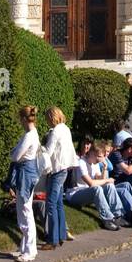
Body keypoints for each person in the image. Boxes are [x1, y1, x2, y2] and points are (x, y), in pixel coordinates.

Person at [65, 145, 127, 230]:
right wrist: (107, 180)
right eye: (99, 156)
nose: (100, 159)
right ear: (91, 154)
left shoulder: (95, 164)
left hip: (87, 192)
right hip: (75, 194)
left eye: (101, 157)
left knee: (109, 185)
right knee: (97, 188)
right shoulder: (81, 162)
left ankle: (117, 215)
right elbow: (91, 183)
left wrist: (105, 169)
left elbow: (101, 179)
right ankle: (107, 219)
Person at [41, 106, 76, 250]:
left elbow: (48, 151)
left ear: (51, 117)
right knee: (59, 203)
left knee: (51, 203)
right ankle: (61, 234)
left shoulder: (55, 132)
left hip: (57, 170)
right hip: (65, 168)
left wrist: (39, 149)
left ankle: (53, 239)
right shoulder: (65, 129)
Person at [9, 105, 40, 262]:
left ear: (23, 119)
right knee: (25, 210)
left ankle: (29, 250)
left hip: (26, 174)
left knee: (25, 211)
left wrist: (14, 154)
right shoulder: (32, 134)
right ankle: (25, 248)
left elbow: (15, 156)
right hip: (29, 172)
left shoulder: (29, 136)